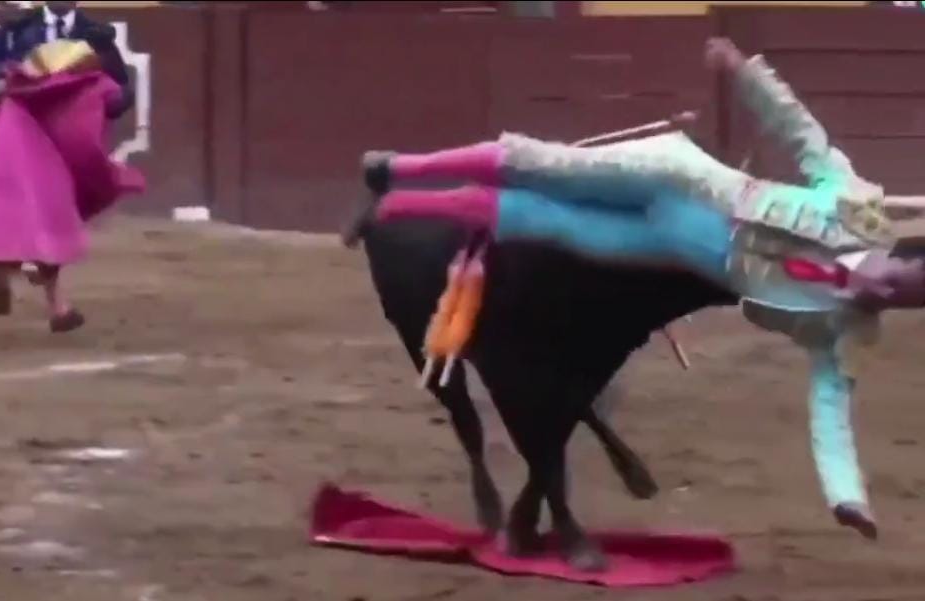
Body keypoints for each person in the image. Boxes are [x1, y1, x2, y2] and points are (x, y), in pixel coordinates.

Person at [363, 37, 925, 540]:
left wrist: (847, 497)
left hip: (661, 249)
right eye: (899, 284)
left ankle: (400, 206)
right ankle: (400, 168)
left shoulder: (842, 329)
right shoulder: (854, 204)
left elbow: (830, 412)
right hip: (679, 182)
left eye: (903, 302)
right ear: (898, 256)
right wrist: (744, 71)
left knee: (538, 219)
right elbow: (800, 130)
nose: (886, 296)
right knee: (539, 164)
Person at [0, 1, 137, 333]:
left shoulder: (95, 35)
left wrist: (109, 103)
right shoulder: (17, 29)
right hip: (21, 135)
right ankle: (56, 306)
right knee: (44, 211)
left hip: (64, 139)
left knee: (51, 213)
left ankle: (4, 269)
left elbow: (120, 87)